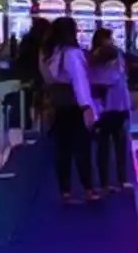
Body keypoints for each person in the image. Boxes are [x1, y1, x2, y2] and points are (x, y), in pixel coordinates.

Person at [40, 17, 98, 203]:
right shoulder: (72, 53)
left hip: (57, 104)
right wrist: (87, 107)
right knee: (82, 148)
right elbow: (79, 82)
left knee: (62, 149)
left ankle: (65, 191)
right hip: (74, 106)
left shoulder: (48, 53)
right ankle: (88, 189)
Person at [88, 28, 132, 192]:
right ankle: (119, 180)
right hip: (113, 105)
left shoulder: (94, 58)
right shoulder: (112, 56)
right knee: (115, 143)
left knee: (105, 144)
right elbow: (117, 77)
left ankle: (108, 181)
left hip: (105, 106)